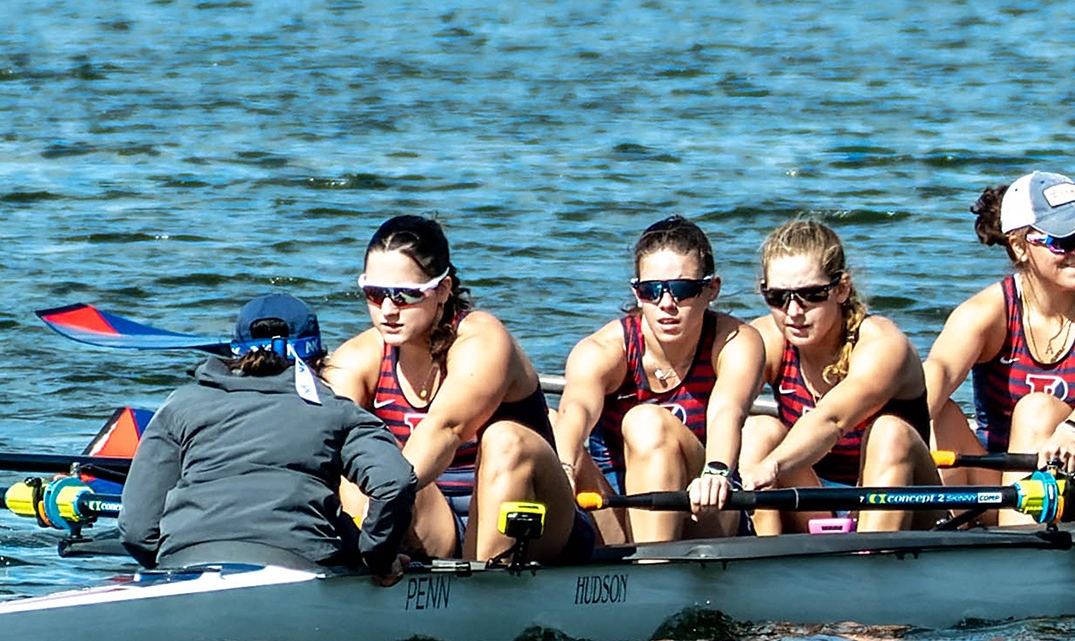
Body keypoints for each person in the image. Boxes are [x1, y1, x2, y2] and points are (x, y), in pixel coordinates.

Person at [324, 215, 587, 562]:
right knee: (358, 457)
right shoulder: (357, 359)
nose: (387, 310)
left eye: (404, 295)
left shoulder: (482, 340)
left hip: (535, 518)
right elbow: (322, 449)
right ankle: (370, 570)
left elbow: (445, 430)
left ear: (443, 290)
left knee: (505, 439)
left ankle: (481, 595)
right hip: (438, 523)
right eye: (374, 294)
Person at [120, 294, 416, 581]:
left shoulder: (179, 405)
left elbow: (135, 529)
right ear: (318, 360)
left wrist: (171, 561)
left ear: (235, 355)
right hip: (300, 564)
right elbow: (394, 483)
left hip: (184, 563)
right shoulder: (338, 413)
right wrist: (377, 558)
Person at [924, 171, 1075, 523]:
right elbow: (939, 372)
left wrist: (1071, 429)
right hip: (998, 486)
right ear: (1019, 245)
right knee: (934, 413)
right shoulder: (985, 312)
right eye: (1064, 240)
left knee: (1037, 410)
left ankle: (1018, 553)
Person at [552, 215, 764, 543]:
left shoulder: (735, 341)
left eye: (682, 290)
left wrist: (717, 471)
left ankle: (653, 570)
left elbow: (728, 410)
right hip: (616, 510)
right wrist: (563, 469)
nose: (666, 304)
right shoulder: (603, 350)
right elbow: (576, 409)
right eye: (652, 290)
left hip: (705, 507)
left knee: (646, 421)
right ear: (637, 294)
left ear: (712, 289)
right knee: (548, 426)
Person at [737, 219, 940, 534]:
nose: (793, 312)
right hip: (816, 500)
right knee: (758, 428)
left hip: (901, 498)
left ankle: (872, 559)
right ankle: (762, 560)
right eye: (777, 297)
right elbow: (722, 405)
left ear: (841, 289)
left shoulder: (882, 344)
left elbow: (832, 421)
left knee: (889, 432)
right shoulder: (766, 340)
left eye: (810, 295)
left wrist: (770, 467)